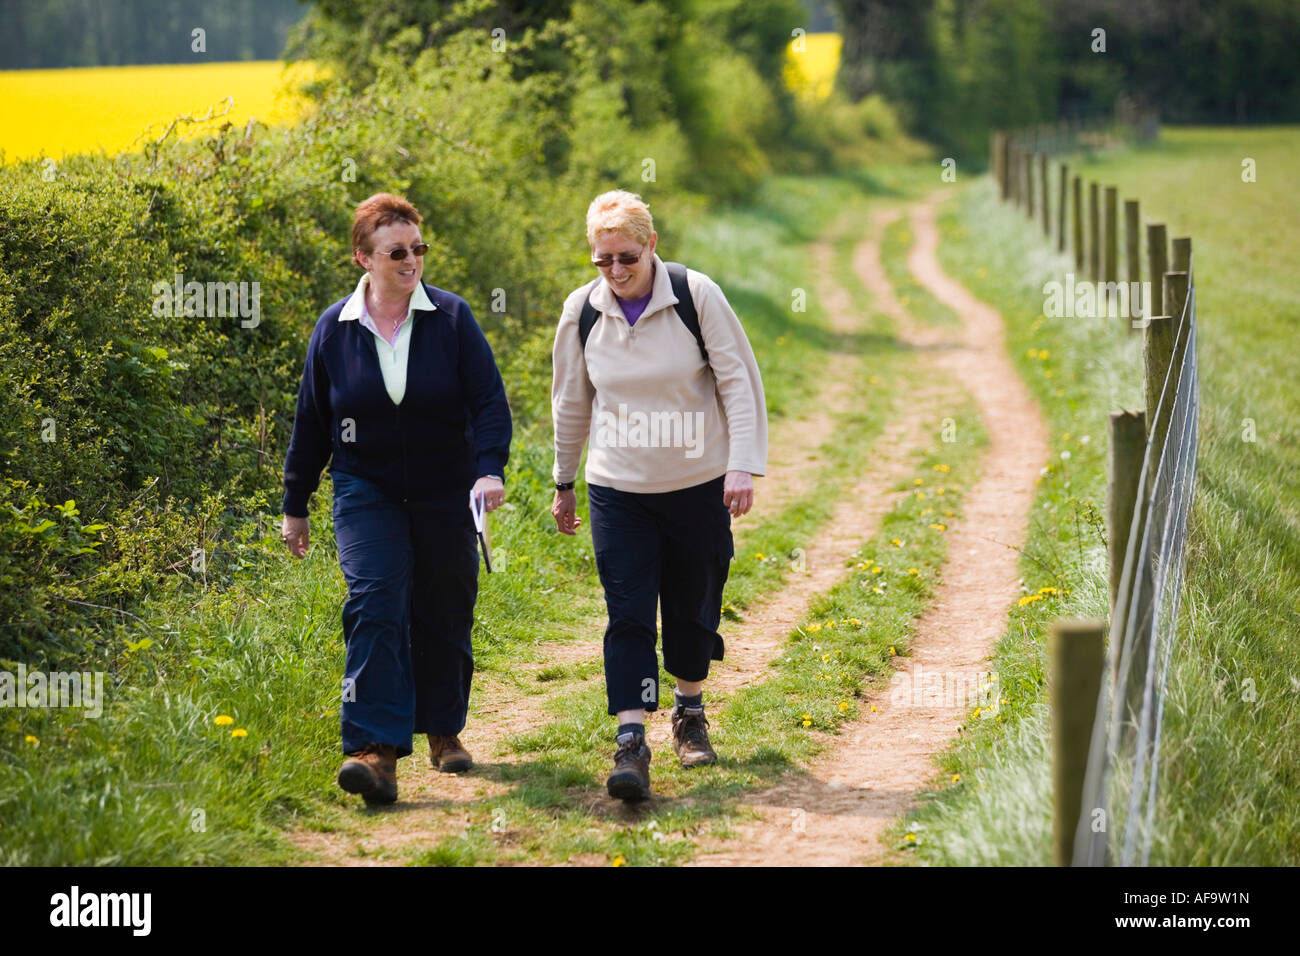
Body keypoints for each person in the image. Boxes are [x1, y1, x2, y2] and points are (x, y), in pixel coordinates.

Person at [280, 192, 511, 805]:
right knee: (376, 600)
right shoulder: (334, 330)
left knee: (445, 602)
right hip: (366, 489)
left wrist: (489, 471)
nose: (411, 260)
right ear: (363, 257)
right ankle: (374, 750)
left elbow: (489, 402)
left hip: (446, 487)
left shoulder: (453, 318)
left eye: (418, 249)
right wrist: (294, 504)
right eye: (396, 252)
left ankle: (443, 728)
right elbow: (311, 422)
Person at [550, 189, 768, 801]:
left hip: (698, 484)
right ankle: (630, 741)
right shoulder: (583, 311)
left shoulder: (697, 296)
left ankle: (690, 711)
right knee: (627, 612)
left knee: (693, 602)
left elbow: (738, 382)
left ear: (650, 245)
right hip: (618, 489)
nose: (616, 271)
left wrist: (742, 465)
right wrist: (565, 482)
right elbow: (571, 402)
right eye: (603, 260)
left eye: (626, 257)